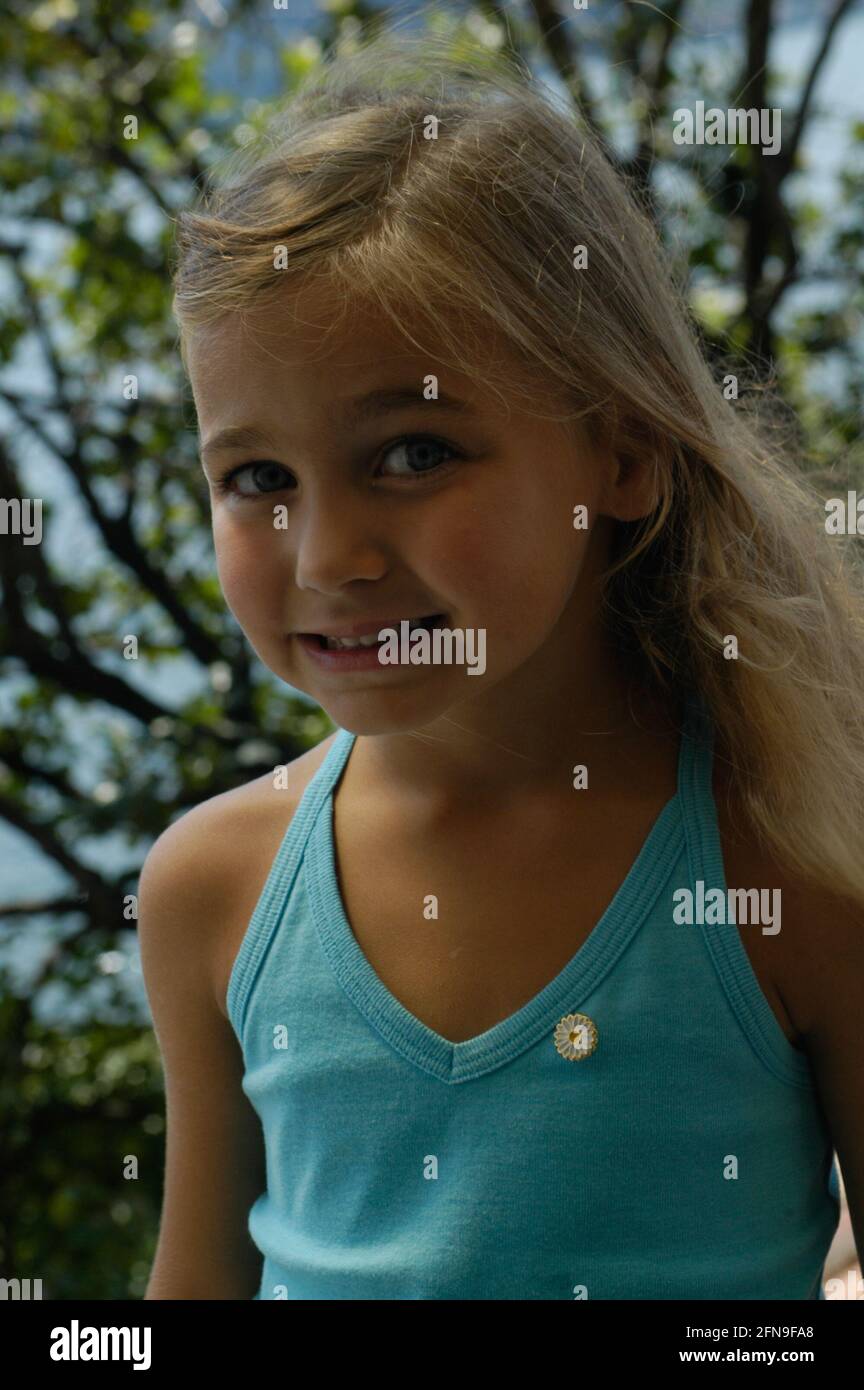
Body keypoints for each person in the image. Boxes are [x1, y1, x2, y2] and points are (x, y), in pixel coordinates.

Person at [140, 23, 864, 1300]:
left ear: (622, 453)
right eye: (256, 477)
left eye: (414, 453)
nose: (328, 557)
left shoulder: (792, 857)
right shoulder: (212, 889)